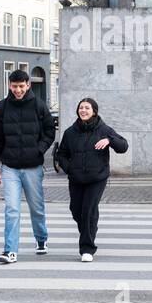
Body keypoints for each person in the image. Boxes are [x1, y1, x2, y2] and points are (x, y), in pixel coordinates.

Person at [0, 69, 56, 263]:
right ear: (9, 85)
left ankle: (41, 239)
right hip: (10, 167)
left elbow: (50, 131)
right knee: (12, 209)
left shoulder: (38, 106)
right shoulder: (2, 108)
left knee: (36, 208)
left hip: (33, 167)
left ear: (28, 85)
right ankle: (10, 250)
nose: (18, 90)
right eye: (14, 86)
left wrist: (39, 149)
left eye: (21, 86)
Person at [54, 98, 128, 261]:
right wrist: (69, 168)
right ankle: (90, 229)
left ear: (94, 111)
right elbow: (62, 154)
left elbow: (123, 146)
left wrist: (110, 140)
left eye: (87, 108)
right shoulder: (70, 132)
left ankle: (87, 248)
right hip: (76, 177)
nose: (84, 110)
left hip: (97, 177)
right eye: (81, 108)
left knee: (88, 210)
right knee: (76, 210)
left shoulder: (104, 129)